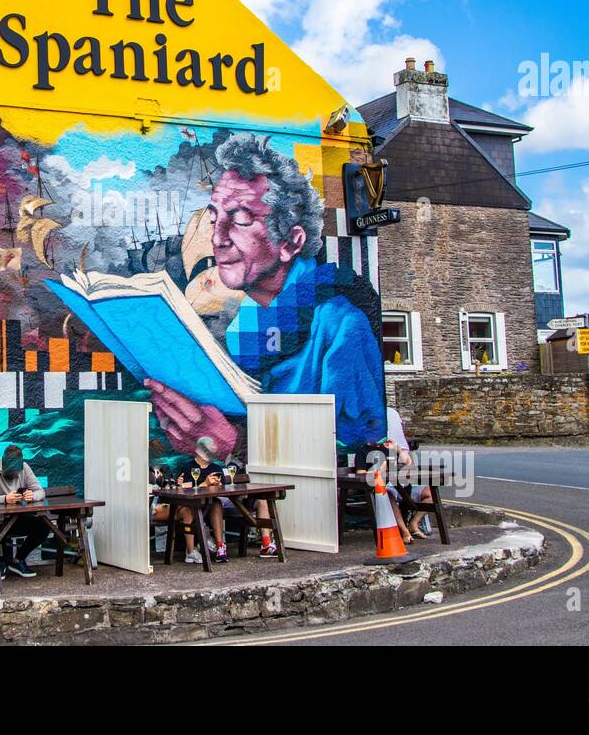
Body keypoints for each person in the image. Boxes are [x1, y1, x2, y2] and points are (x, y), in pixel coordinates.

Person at [145, 133, 385, 467]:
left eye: (240, 219)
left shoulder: (341, 327)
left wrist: (233, 445)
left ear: (291, 241)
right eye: (215, 219)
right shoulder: (244, 322)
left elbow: (361, 455)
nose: (216, 238)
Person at [0, 444, 46, 578]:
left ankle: (18, 560)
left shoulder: (25, 468)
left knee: (43, 527)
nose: (14, 475)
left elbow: (40, 491)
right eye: (10, 471)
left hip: (15, 519)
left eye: (16, 472)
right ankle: (0, 564)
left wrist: (32, 496)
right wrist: (5, 499)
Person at [382, 406, 434, 541]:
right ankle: (404, 531)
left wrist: (398, 448)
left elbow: (408, 463)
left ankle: (413, 523)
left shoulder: (395, 447)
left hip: (405, 485)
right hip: (388, 486)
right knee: (388, 494)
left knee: (430, 493)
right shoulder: (368, 450)